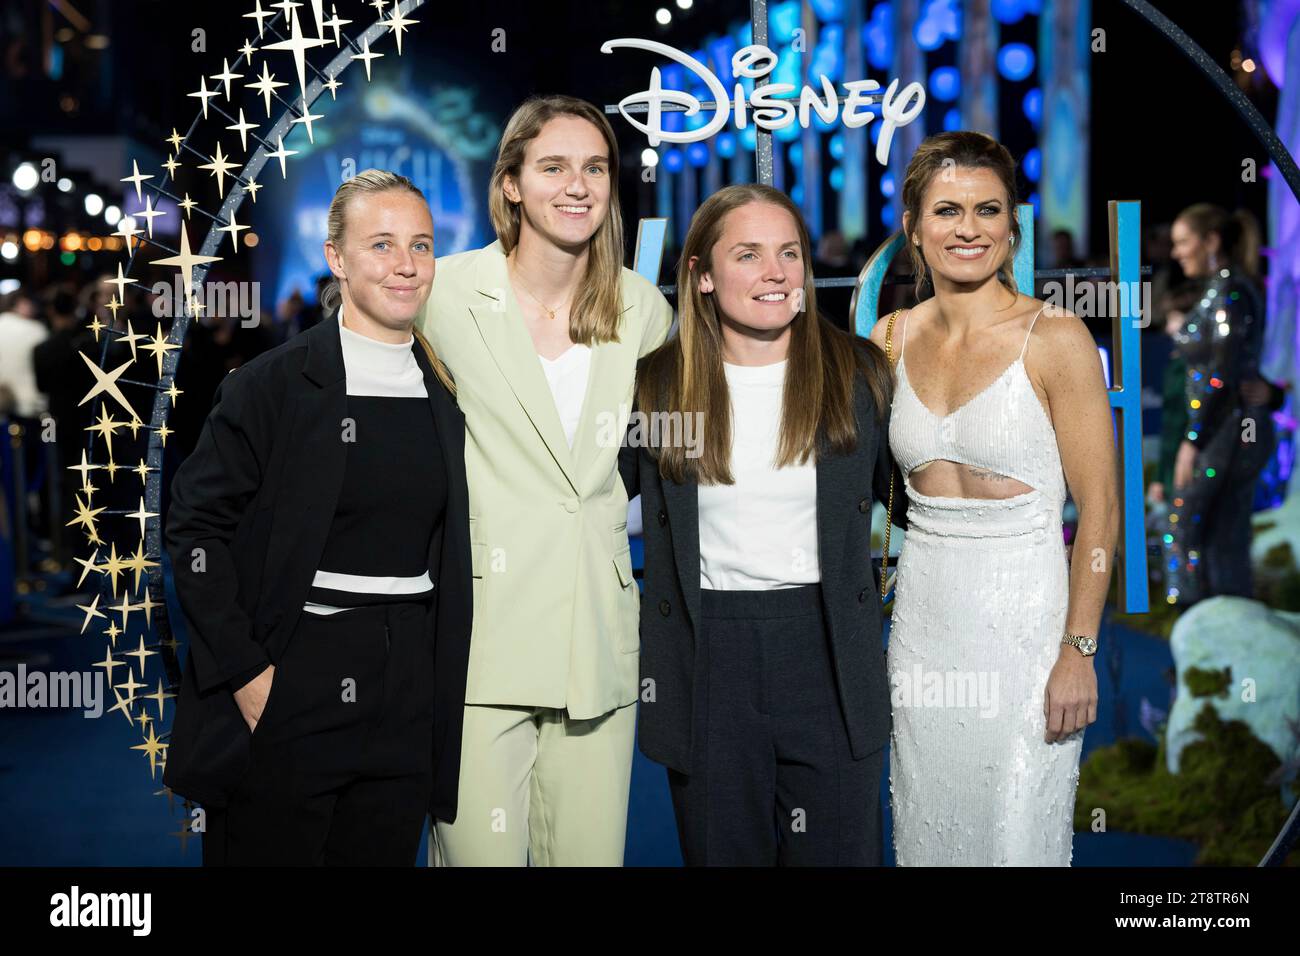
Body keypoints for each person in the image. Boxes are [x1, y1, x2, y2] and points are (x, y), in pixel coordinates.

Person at [164, 169, 472, 866]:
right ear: (337, 258)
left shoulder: (448, 391)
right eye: (382, 244)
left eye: (421, 246)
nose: (405, 265)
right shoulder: (272, 385)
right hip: (293, 672)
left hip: (408, 689)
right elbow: (194, 528)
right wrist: (245, 673)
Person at [417, 95, 673, 866]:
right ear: (512, 185)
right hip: (479, 636)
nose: (577, 185)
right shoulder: (444, 294)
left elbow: (647, 463)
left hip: (596, 634)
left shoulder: (642, 309)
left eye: (595, 167)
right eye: (554, 166)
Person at [620, 183, 899, 865]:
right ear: (704, 274)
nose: (775, 273)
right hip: (706, 660)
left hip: (831, 653)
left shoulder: (858, 375)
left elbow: (915, 503)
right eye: (748, 254)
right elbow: (591, 505)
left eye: (789, 253)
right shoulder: (656, 385)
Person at [870, 130, 1118, 865]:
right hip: (922, 625)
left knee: (1016, 837)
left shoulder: (1058, 338)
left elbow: (1101, 510)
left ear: (1013, 227)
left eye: (988, 209)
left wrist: (1079, 650)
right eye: (947, 211)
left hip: (1026, 634)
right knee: (925, 830)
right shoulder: (888, 338)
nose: (968, 228)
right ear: (914, 227)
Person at [1165, 204, 1276, 605]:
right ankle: (1214, 653)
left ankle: (1201, 646)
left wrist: (1193, 440)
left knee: (1187, 530)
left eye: (1182, 241)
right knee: (1217, 537)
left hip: (1226, 431)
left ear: (1210, 241)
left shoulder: (1229, 292)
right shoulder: (1226, 290)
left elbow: (1223, 373)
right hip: (1228, 428)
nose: (1176, 252)